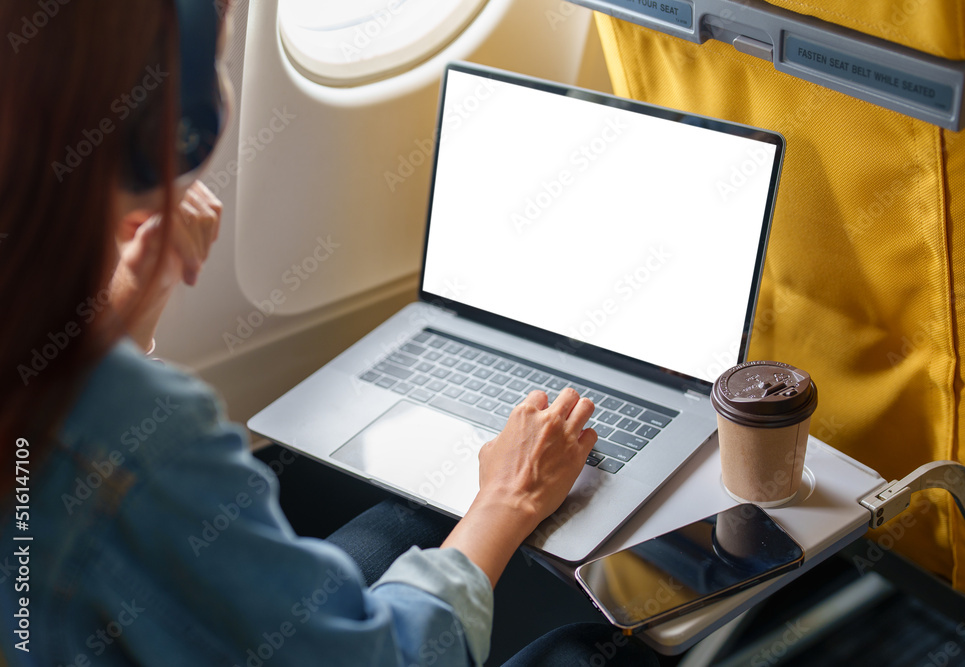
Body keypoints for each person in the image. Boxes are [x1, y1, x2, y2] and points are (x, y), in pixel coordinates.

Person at [0, 2, 661, 665]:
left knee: (412, 517)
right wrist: (507, 499)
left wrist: (122, 324)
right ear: (177, 127)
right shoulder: (136, 429)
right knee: (602, 648)